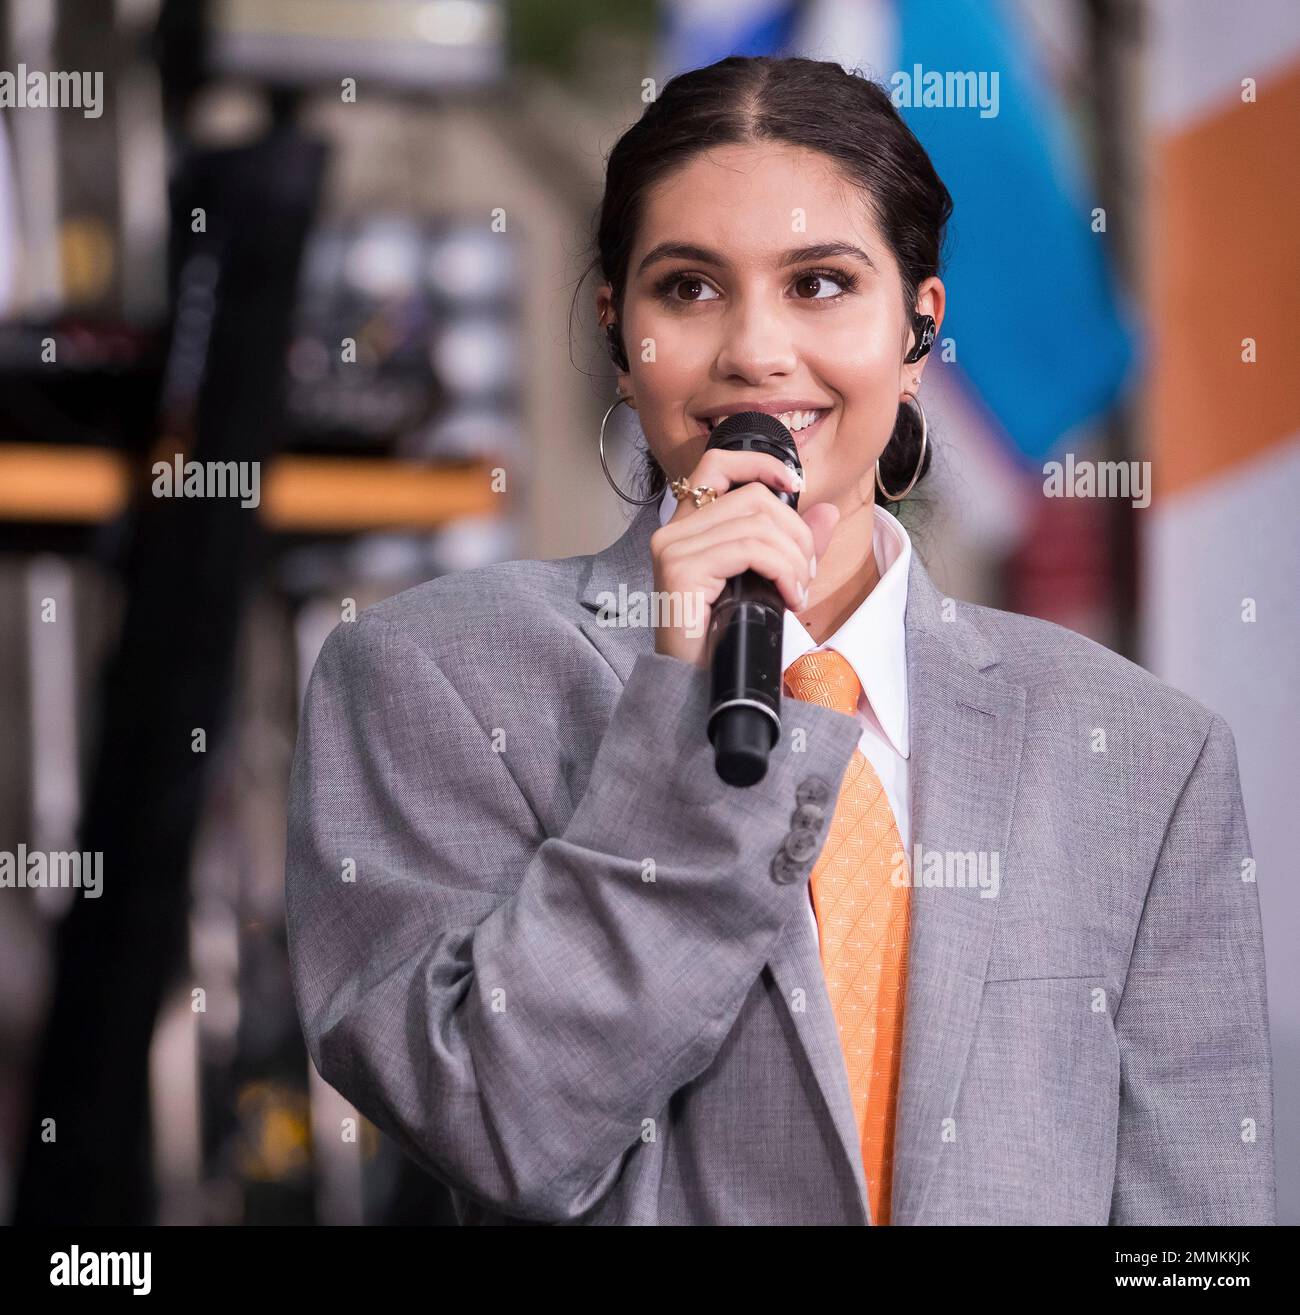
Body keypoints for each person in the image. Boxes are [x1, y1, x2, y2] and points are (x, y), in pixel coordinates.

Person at [283, 55, 1275, 1225]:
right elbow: (505, 1126)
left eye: (818, 284)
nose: (754, 350)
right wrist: (679, 719)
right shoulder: (426, 675)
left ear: (917, 329)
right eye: (689, 288)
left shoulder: (1143, 753)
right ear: (619, 328)